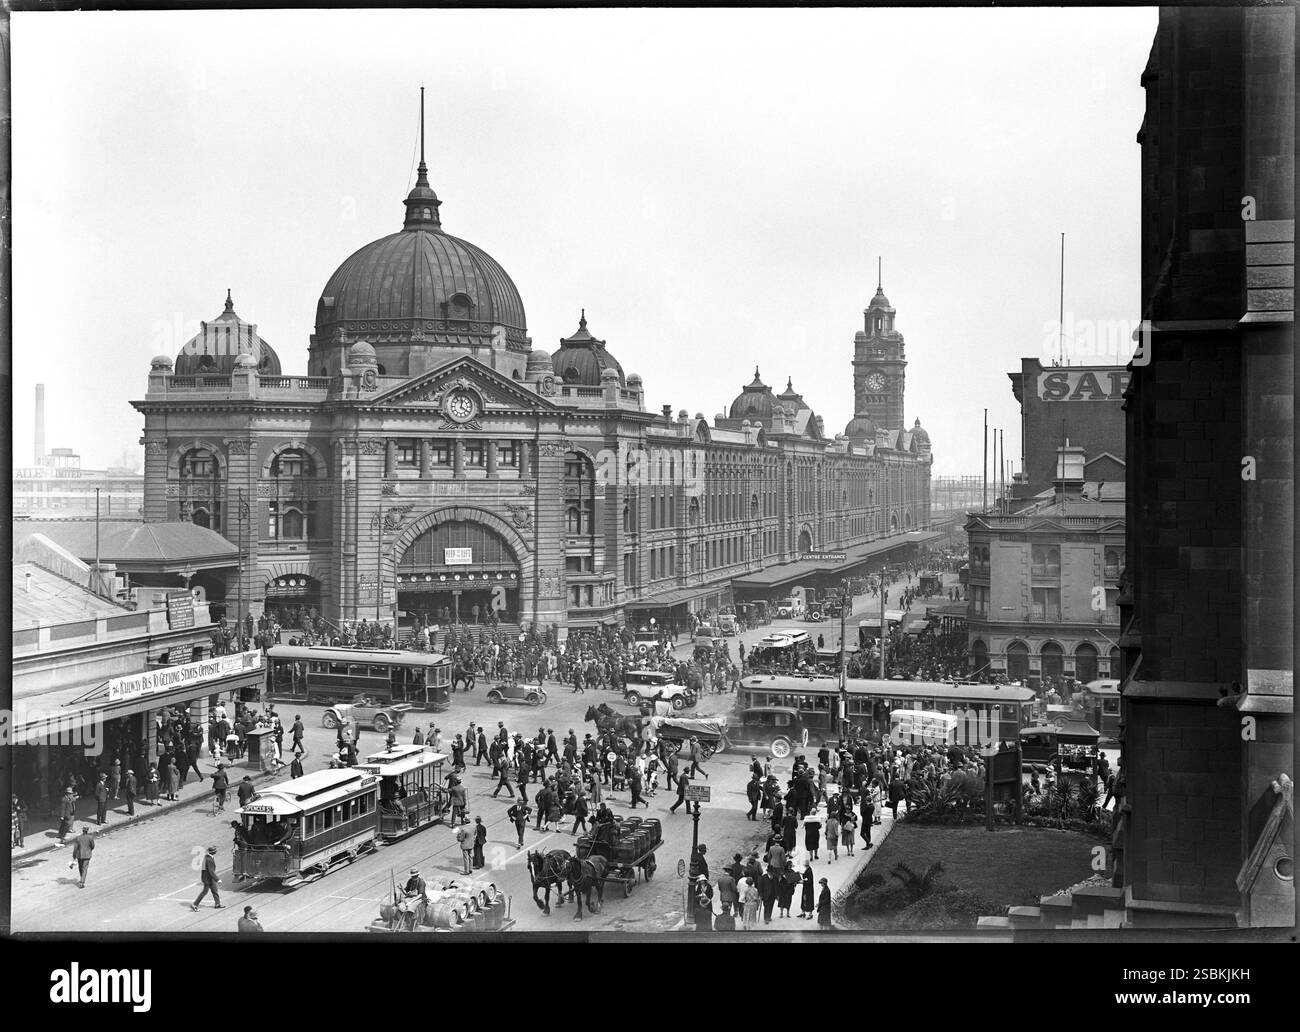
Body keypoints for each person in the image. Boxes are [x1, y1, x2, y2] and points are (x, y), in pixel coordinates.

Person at [191, 845, 223, 911]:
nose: (216, 851)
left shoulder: (207, 857)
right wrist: (217, 879)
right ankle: (195, 904)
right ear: (213, 852)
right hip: (208, 879)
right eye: (215, 850)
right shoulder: (209, 859)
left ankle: (217, 904)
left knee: (214, 890)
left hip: (208, 878)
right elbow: (211, 871)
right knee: (205, 892)